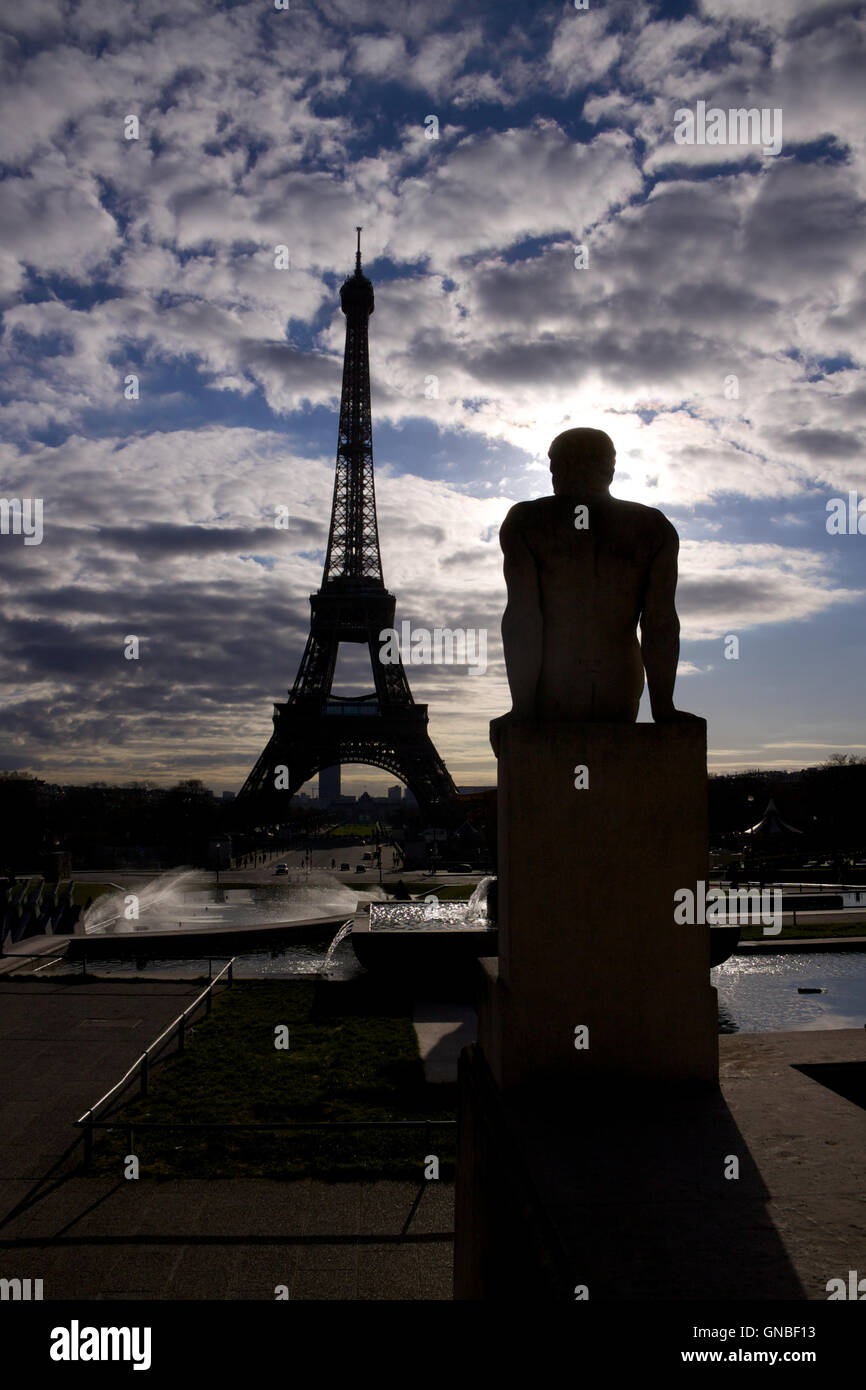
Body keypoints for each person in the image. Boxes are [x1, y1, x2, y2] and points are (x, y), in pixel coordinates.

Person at [491, 427, 700, 754]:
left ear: (556, 468)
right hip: (619, 678)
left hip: (553, 678)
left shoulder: (526, 521)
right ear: (610, 469)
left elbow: (522, 619)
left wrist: (522, 707)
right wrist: (663, 707)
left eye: (553, 465)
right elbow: (660, 623)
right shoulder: (653, 526)